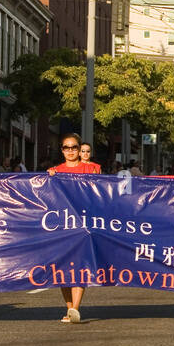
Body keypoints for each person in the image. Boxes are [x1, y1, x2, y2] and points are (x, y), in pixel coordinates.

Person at [47, 135, 100, 323]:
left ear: (79, 149)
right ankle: (69, 309)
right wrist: (49, 179)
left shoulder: (91, 169)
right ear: (61, 150)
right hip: (62, 224)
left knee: (79, 266)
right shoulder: (55, 171)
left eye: (74, 147)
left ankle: (76, 308)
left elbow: (98, 194)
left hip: (83, 224)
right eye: (66, 147)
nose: (70, 151)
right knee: (63, 268)